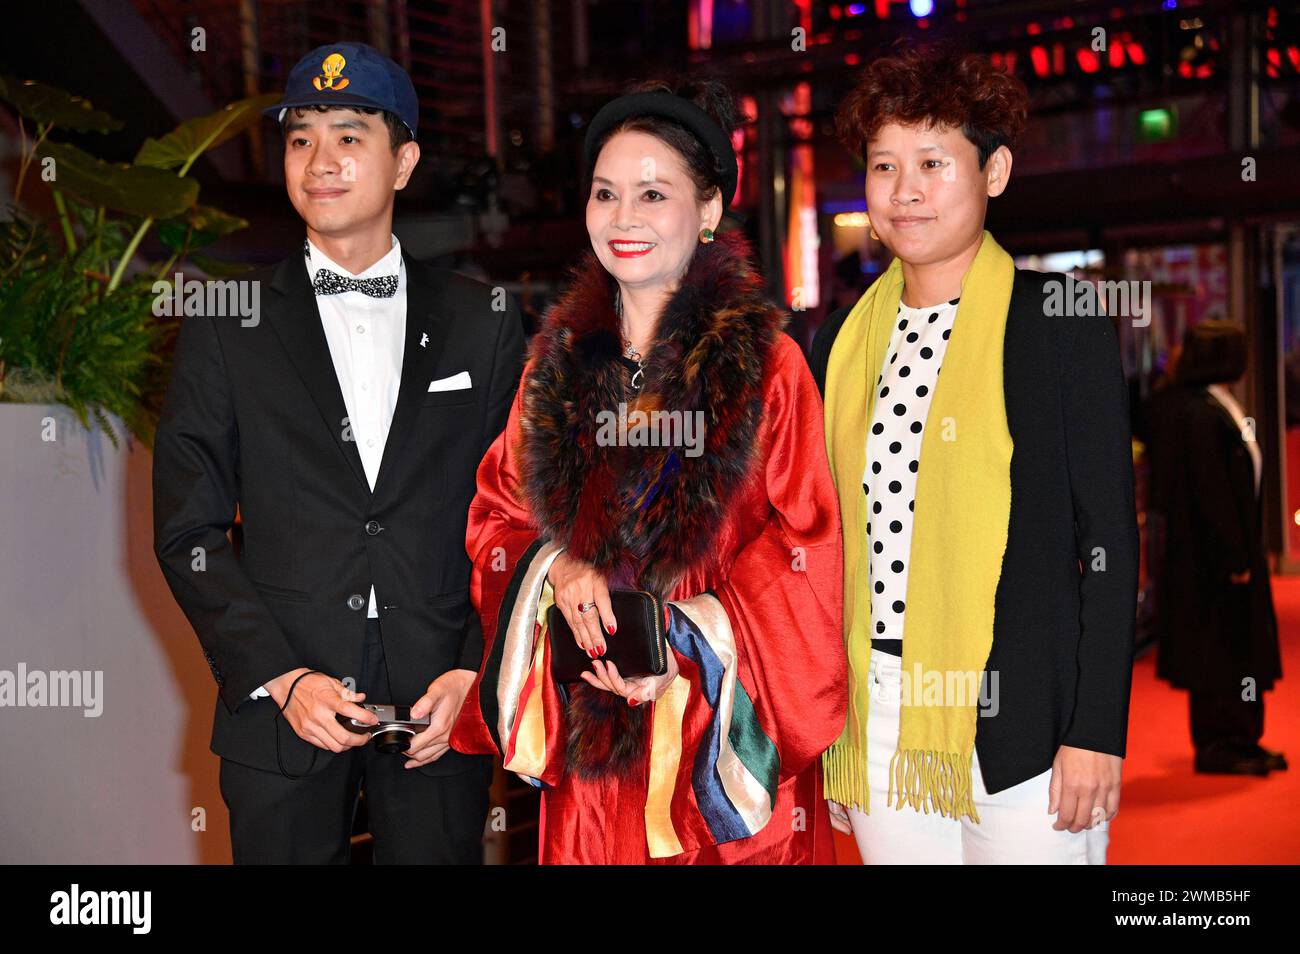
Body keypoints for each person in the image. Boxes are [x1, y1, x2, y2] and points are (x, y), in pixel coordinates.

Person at [450, 80, 848, 864]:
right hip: (595, 773)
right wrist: (556, 568)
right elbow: (497, 519)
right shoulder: (553, 370)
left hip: (721, 759)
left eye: (652, 193)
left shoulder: (767, 368)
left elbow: (809, 552)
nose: (623, 217)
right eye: (605, 193)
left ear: (706, 213)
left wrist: (685, 637)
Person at [153, 42, 525, 863]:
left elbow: (512, 522)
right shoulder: (227, 322)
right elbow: (190, 531)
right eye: (300, 138)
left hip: (437, 709)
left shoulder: (482, 321)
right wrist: (281, 677)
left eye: (350, 136)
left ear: (404, 162)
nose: (320, 161)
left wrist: (475, 673)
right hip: (280, 716)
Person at [809, 40, 1139, 864]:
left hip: (1030, 712)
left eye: (932, 161)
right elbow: (825, 545)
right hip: (883, 715)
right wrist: (834, 734)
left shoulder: (1058, 316)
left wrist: (1096, 727)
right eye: (884, 167)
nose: (905, 190)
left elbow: (1108, 536)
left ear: (993, 173)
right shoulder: (842, 343)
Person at [1145, 321, 1285, 775]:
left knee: (1242, 648)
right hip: (1213, 562)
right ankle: (1221, 744)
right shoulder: (1196, 411)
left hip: (1234, 553)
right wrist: (1234, 556)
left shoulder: (1216, 403)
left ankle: (1244, 739)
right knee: (1221, 651)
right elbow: (1211, 492)